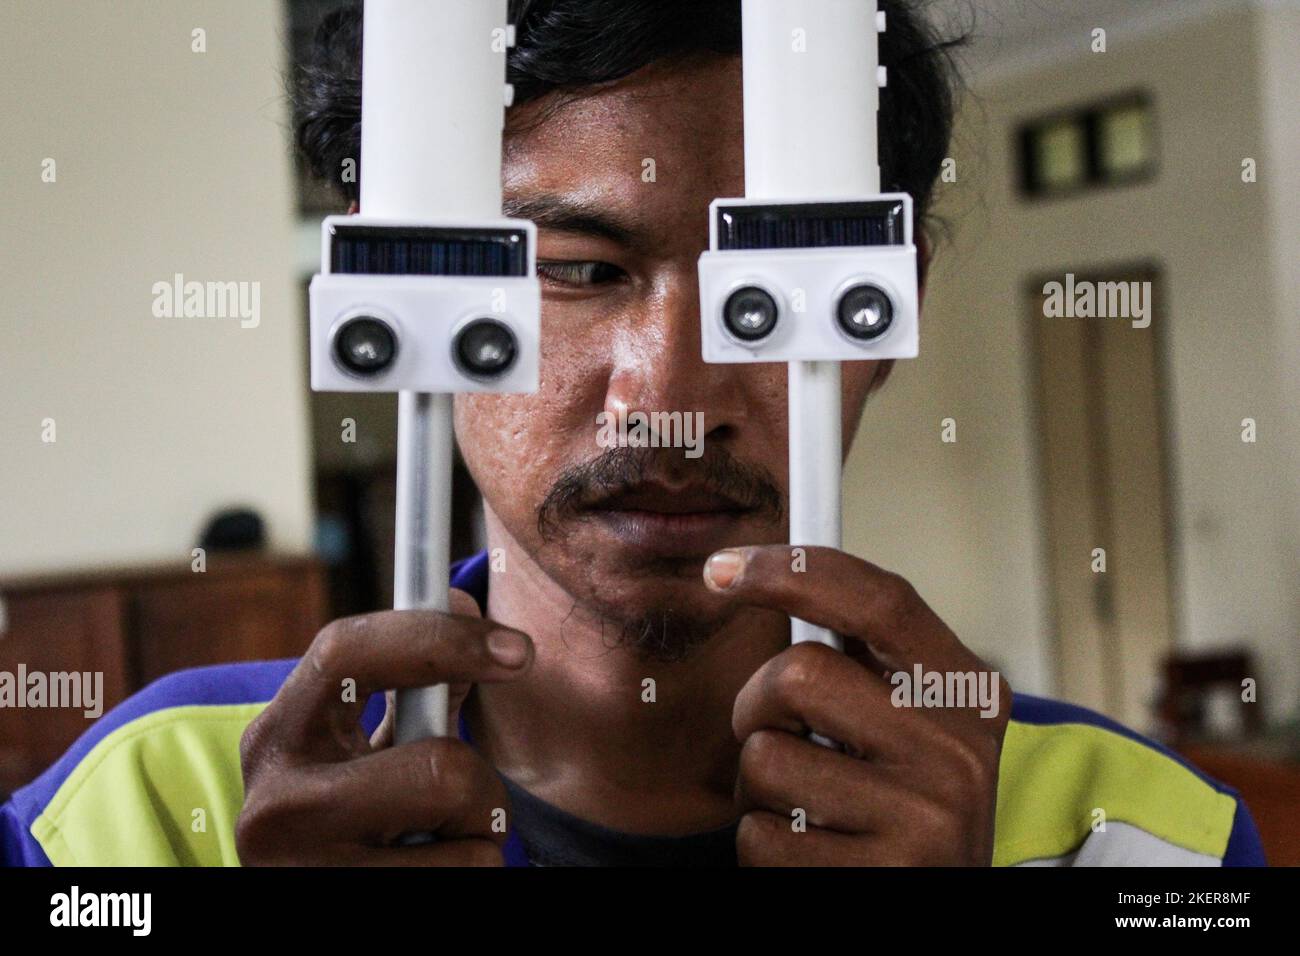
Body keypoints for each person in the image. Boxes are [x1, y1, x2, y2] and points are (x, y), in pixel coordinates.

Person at [1, 0, 1264, 867]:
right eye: (579, 270)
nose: (668, 388)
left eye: (765, 296)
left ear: (889, 317)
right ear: (404, 289)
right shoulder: (134, 822)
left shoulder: (1141, 833)